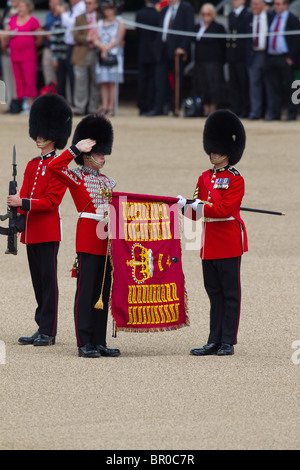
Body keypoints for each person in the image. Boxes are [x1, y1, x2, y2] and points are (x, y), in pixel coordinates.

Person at [49, 114, 120, 358]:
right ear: (87, 156)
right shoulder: (77, 177)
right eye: (99, 154)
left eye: (103, 153)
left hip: (107, 241)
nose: (103, 158)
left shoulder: (109, 182)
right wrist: (74, 149)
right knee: (86, 290)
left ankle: (99, 341)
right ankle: (84, 341)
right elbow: (54, 167)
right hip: (88, 239)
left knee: (103, 291)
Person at [177, 110, 248, 356]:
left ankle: (227, 340)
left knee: (230, 294)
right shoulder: (203, 177)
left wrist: (199, 206)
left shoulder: (236, 180)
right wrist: (183, 206)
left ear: (229, 151)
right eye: (212, 148)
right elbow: (196, 212)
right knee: (214, 294)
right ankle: (213, 340)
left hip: (228, 242)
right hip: (209, 244)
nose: (213, 153)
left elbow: (223, 209)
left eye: (217, 149)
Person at [7, 93, 72, 346]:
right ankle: (40, 326)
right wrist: (16, 214)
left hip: (48, 231)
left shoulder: (59, 165)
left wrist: (22, 203)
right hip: (31, 231)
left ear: (53, 135)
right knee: (37, 281)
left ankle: (49, 329)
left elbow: (52, 202)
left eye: (43, 133)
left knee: (48, 281)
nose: (38, 137)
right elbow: (23, 194)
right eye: (38, 132)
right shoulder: (33, 164)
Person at [146, 0, 194, 116]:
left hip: (177, 50)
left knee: (177, 80)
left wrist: (183, 47)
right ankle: (159, 108)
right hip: (162, 48)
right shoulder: (164, 9)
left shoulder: (186, 8)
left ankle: (175, 107)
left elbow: (189, 29)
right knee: (159, 79)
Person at [264, 0, 300, 121]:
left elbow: (296, 40)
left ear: (286, 5)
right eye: (275, 4)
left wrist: (291, 56)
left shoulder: (293, 19)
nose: (276, 6)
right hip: (272, 57)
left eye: (279, 4)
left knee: (291, 87)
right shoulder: (272, 17)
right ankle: (275, 113)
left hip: (286, 58)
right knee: (274, 87)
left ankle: (292, 113)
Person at [4, 0, 43, 110]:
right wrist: (10, 36)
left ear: (28, 8)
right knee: (18, 79)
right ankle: (20, 104)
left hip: (28, 55)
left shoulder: (33, 20)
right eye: (19, 7)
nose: (20, 9)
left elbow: (40, 38)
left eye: (22, 6)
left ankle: (30, 104)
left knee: (29, 80)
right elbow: (5, 35)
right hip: (15, 54)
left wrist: (29, 45)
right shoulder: (12, 20)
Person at [92, 0, 126, 117]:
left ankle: (111, 108)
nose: (108, 11)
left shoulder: (119, 22)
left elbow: (119, 39)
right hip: (102, 54)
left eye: (110, 8)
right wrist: (102, 48)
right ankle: (105, 107)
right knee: (104, 82)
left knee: (112, 82)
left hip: (114, 54)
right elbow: (95, 38)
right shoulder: (99, 22)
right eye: (106, 8)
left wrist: (107, 48)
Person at [194, 3, 226, 116]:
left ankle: (213, 108)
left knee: (214, 85)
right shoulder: (198, 27)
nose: (205, 16)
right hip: (200, 61)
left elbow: (223, 45)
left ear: (212, 14)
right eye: (203, 14)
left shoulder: (218, 27)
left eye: (208, 14)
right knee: (202, 85)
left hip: (213, 61)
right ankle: (204, 107)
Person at [71, 0, 102, 115]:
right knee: (80, 81)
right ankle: (80, 107)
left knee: (96, 81)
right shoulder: (79, 18)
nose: (87, 6)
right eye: (86, 3)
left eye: (90, 3)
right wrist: (88, 38)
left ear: (96, 5)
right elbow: (76, 36)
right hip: (82, 53)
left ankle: (93, 108)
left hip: (96, 52)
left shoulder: (100, 17)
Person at [57, 0, 86, 104]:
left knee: (76, 75)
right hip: (69, 46)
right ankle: (73, 101)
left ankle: (77, 102)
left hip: (77, 46)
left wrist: (63, 13)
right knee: (69, 75)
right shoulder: (74, 8)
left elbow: (72, 24)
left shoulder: (81, 7)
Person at [226, 0, 251, 118]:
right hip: (232, 55)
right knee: (234, 84)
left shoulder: (247, 14)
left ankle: (245, 109)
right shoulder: (231, 15)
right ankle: (236, 109)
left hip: (241, 55)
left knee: (243, 84)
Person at [246, 0, 270, 120]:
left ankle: (271, 112)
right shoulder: (248, 18)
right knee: (254, 84)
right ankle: (256, 112)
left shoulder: (270, 17)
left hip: (268, 54)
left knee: (270, 84)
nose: (253, 7)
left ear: (262, 5)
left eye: (256, 4)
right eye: (252, 4)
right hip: (253, 54)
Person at [135, 0, 159, 115]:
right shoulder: (158, 15)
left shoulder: (139, 14)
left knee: (142, 80)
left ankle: (141, 105)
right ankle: (150, 105)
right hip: (154, 52)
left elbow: (138, 33)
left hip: (142, 51)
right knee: (152, 80)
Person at [0, 0, 19, 113]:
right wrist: (3, 44)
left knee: (17, 78)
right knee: (7, 77)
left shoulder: (20, 13)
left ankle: (18, 103)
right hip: (5, 50)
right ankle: (10, 103)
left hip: (16, 49)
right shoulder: (7, 11)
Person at [41, 0, 61, 87]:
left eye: (53, 2)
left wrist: (52, 36)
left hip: (59, 49)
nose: (50, 4)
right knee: (48, 75)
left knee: (60, 76)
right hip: (48, 47)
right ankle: (50, 94)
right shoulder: (48, 15)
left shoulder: (63, 16)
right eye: (50, 2)